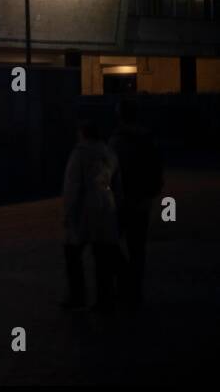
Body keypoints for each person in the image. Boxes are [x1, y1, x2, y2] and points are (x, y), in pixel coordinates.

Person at [61, 120, 122, 311]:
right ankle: (106, 297)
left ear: (82, 133)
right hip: (106, 205)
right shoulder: (108, 153)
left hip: (85, 209)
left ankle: (78, 296)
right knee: (102, 255)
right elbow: (118, 184)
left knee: (73, 253)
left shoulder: (80, 154)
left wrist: (68, 213)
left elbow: (72, 186)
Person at [110, 99, 162, 308]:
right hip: (142, 201)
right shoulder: (147, 139)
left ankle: (125, 285)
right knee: (138, 249)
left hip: (122, 201)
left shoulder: (117, 140)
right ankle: (135, 292)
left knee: (109, 242)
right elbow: (157, 167)